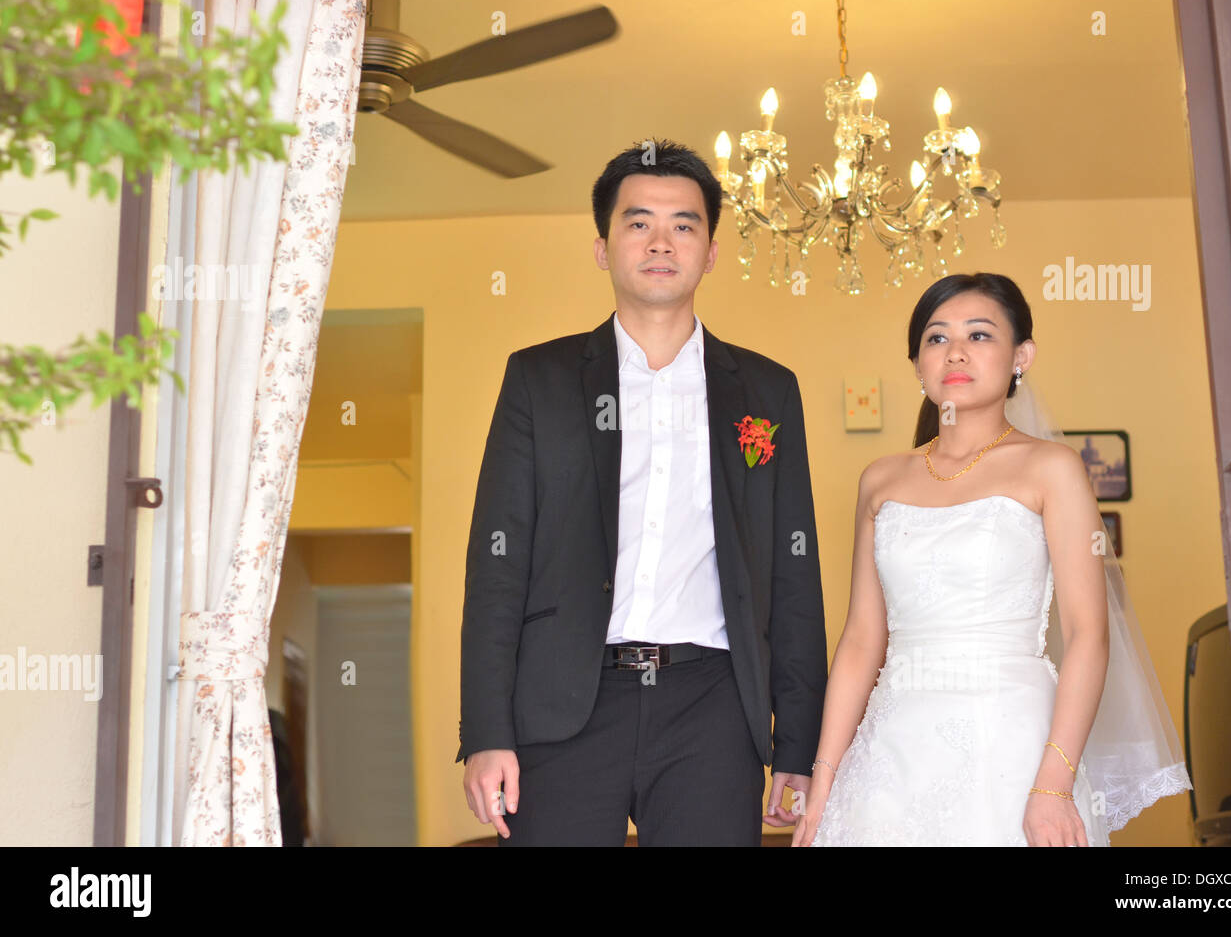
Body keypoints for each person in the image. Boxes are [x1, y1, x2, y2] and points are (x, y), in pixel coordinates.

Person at [458, 138, 828, 846]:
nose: (662, 241)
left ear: (711, 250)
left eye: (684, 224)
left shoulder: (767, 390)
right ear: (603, 246)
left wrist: (799, 743)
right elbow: (496, 567)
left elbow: (792, 576)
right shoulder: (539, 380)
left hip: (713, 707)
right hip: (564, 702)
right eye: (639, 222)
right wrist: (487, 730)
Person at [796, 272, 1190, 846]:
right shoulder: (881, 480)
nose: (955, 351)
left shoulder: (1051, 468)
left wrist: (1053, 784)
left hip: (1011, 742)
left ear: (1020, 356)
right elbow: (860, 640)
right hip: (890, 747)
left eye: (979, 335)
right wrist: (824, 779)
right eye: (936, 338)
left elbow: (1087, 634)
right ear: (916, 364)